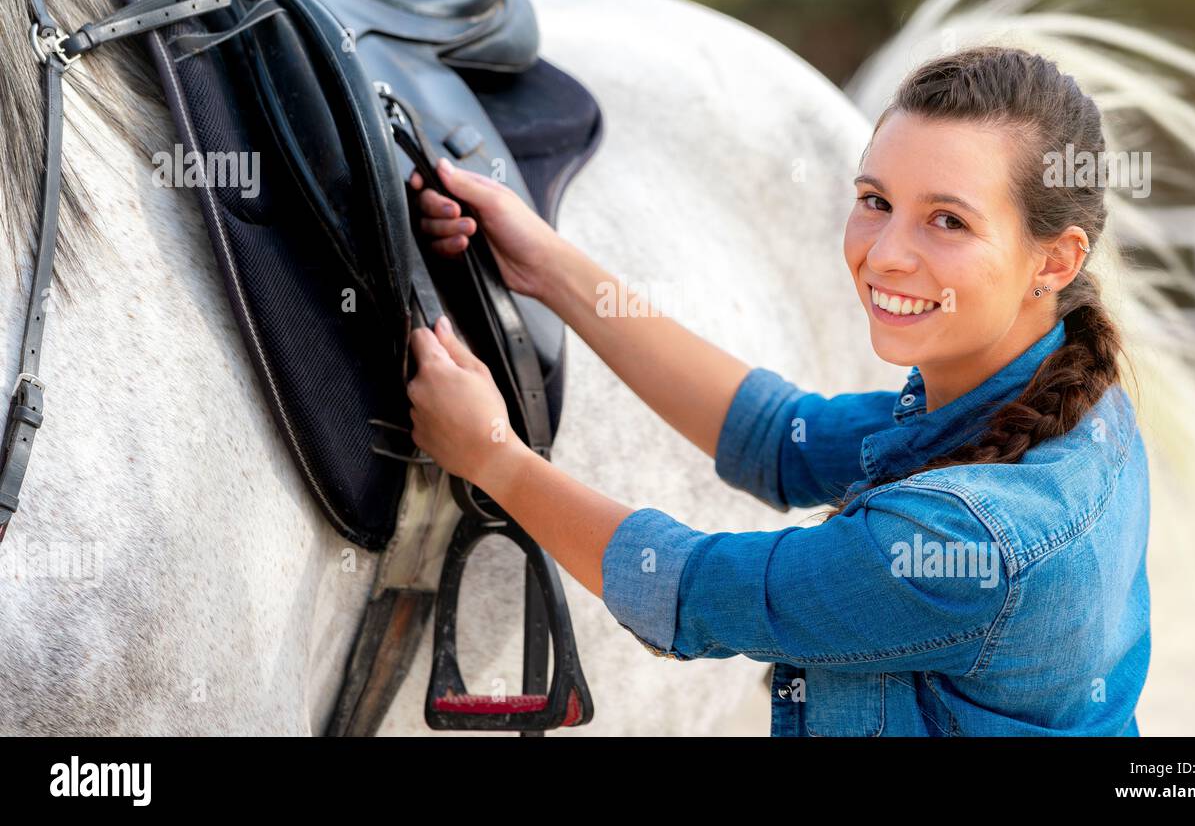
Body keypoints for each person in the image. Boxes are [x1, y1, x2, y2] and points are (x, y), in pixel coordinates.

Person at [403, 45, 1151, 736]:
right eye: (876, 200)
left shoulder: (965, 539)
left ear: (1054, 261)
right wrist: (547, 266)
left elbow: (696, 591)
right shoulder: (1067, 404)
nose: (885, 255)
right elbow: (777, 435)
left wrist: (495, 458)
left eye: (947, 221)